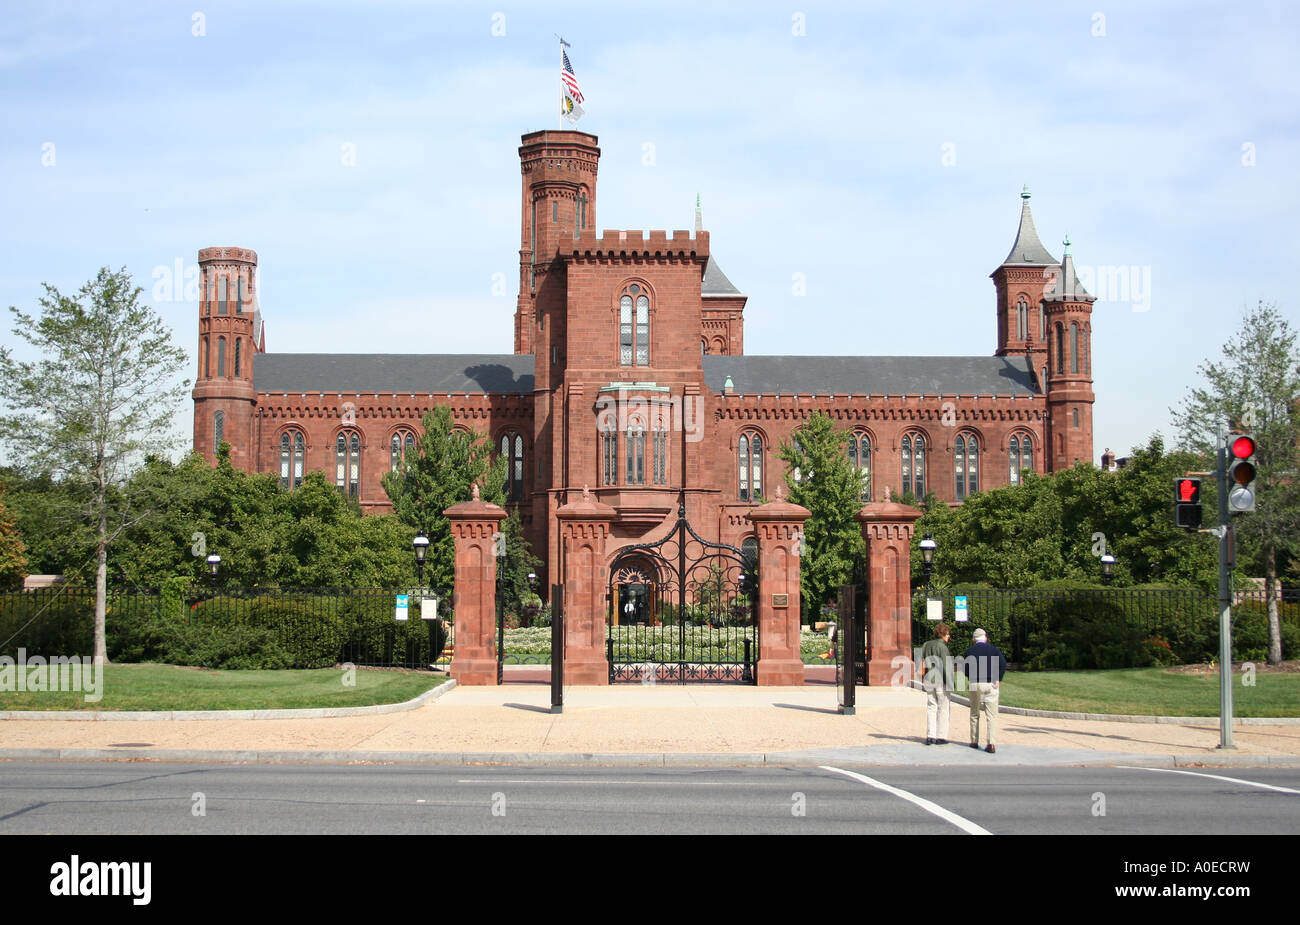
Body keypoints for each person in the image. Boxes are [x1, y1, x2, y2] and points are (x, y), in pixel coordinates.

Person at [961, 627, 1007, 753]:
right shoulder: (994, 650)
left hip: (975, 683)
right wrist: (998, 679)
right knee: (991, 716)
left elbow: (964, 668)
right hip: (991, 683)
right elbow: (1003, 664)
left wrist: (970, 677)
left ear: (974, 640)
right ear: (985, 638)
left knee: (974, 713)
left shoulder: (970, 651)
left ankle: (974, 741)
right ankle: (991, 743)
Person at [920, 622, 953, 745]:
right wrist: (950, 683)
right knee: (943, 708)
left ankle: (930, 735)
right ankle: (941, 736)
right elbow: (946, 666)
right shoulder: (942, 647)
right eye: (948, 634)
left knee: (931, 707)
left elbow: (922, 662)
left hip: (929, 678)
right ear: (943, 634)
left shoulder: (926, 645)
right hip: (940, 680)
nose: (949, 636)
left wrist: (923, 677)